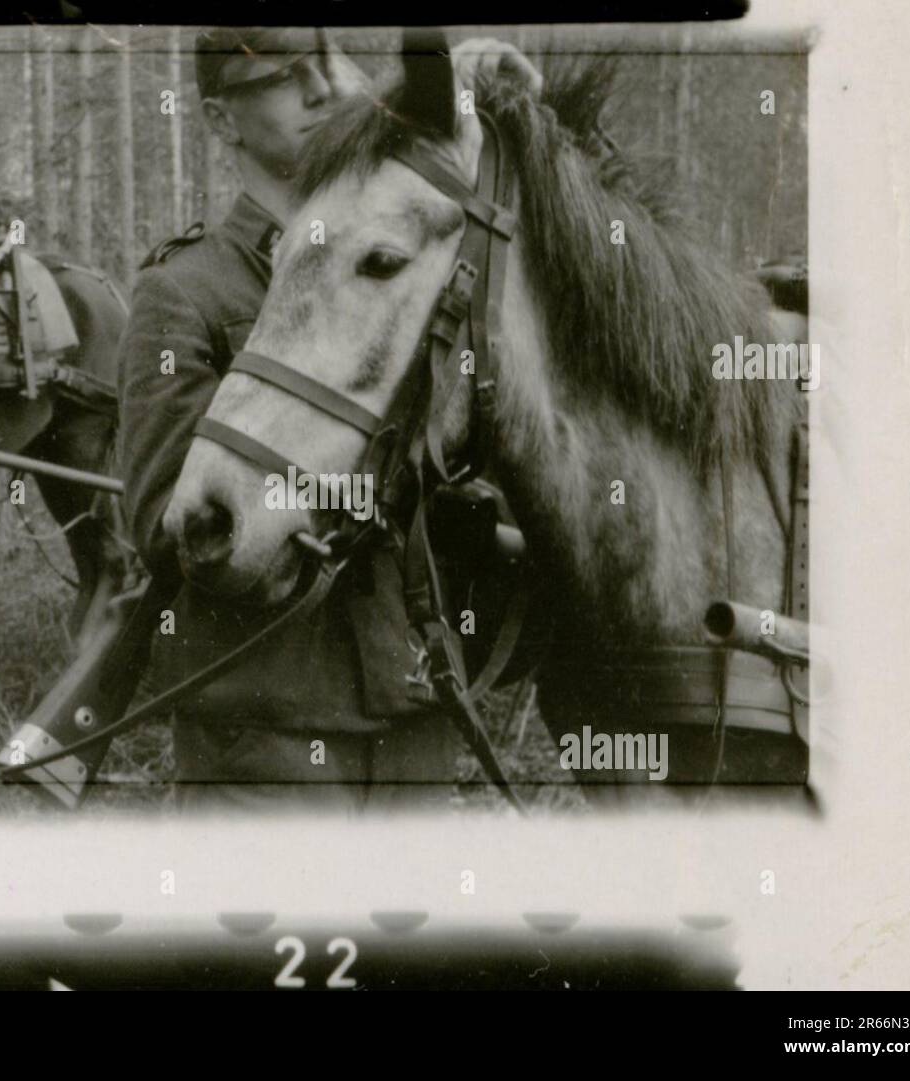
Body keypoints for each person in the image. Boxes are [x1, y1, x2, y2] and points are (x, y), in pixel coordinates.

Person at [116, 28, 525, 814]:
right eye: (282, 76)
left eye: (327, 65)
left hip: (413, 716)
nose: (319, 89)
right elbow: (168, 522)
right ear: (217, 118)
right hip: (263, 734)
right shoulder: (185, 289)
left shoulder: (407, 265)